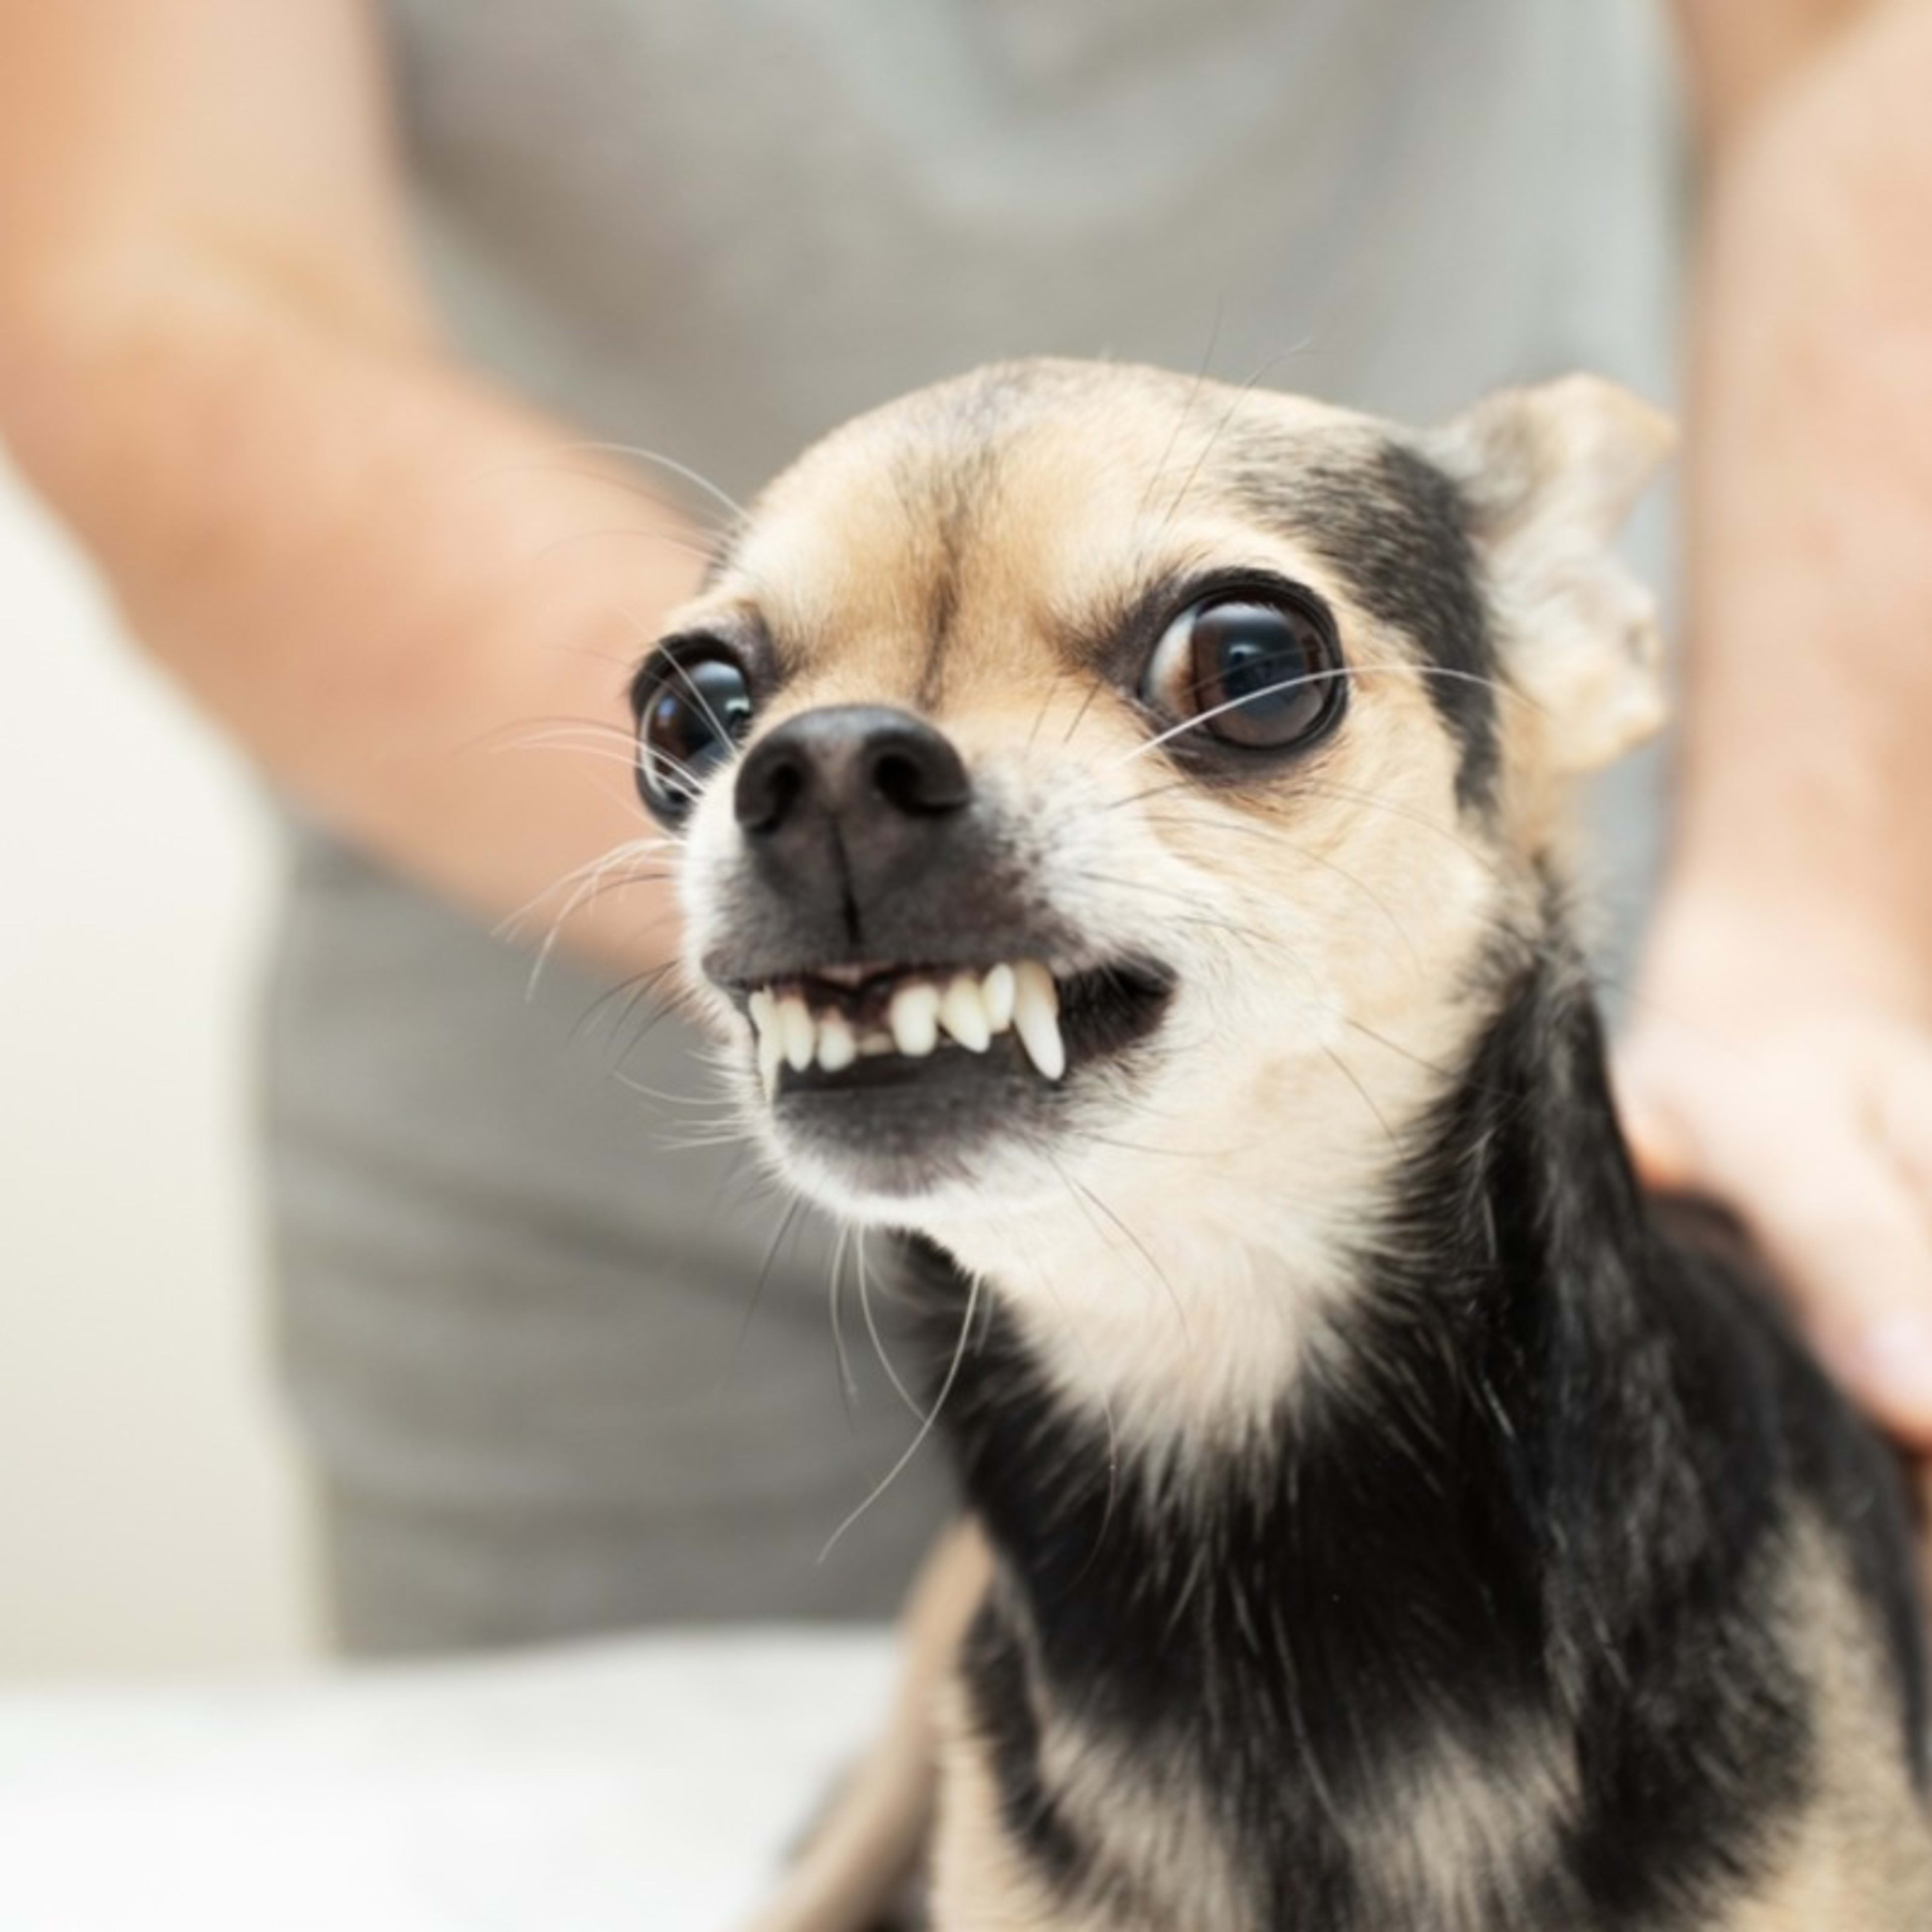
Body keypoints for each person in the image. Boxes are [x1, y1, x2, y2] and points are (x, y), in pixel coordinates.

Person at [2, 0, 1928, 1653]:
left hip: (1624, 1071)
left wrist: (1811, 931)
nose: (849, 780)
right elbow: (152, 281)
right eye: (714, 722)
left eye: (1238, 671)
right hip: (600, 1236)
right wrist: (891, 845)